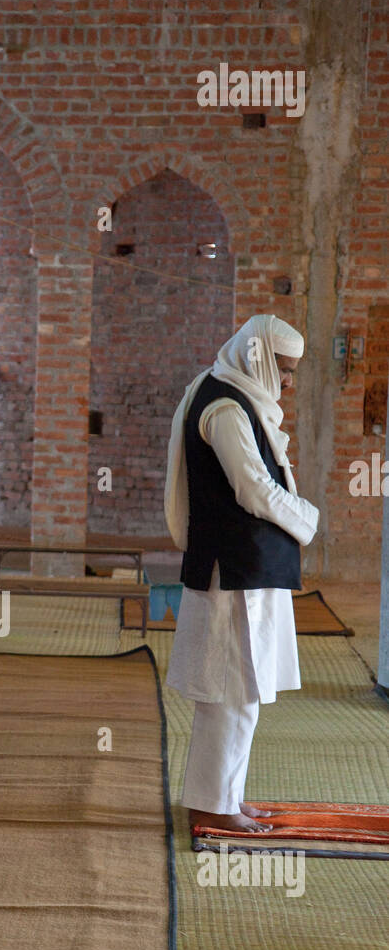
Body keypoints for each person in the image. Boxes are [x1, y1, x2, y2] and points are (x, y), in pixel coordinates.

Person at [164, 313, 320, 834]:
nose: (290, 381)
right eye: (284, 367)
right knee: (230, 694)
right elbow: (252, 489)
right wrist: (306, 519)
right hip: (231, 573)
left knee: (240, 694)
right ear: (258, 356)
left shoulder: (231, 393)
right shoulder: (226, 406)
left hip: (244, 569)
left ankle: (224, 794)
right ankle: (213, 806)